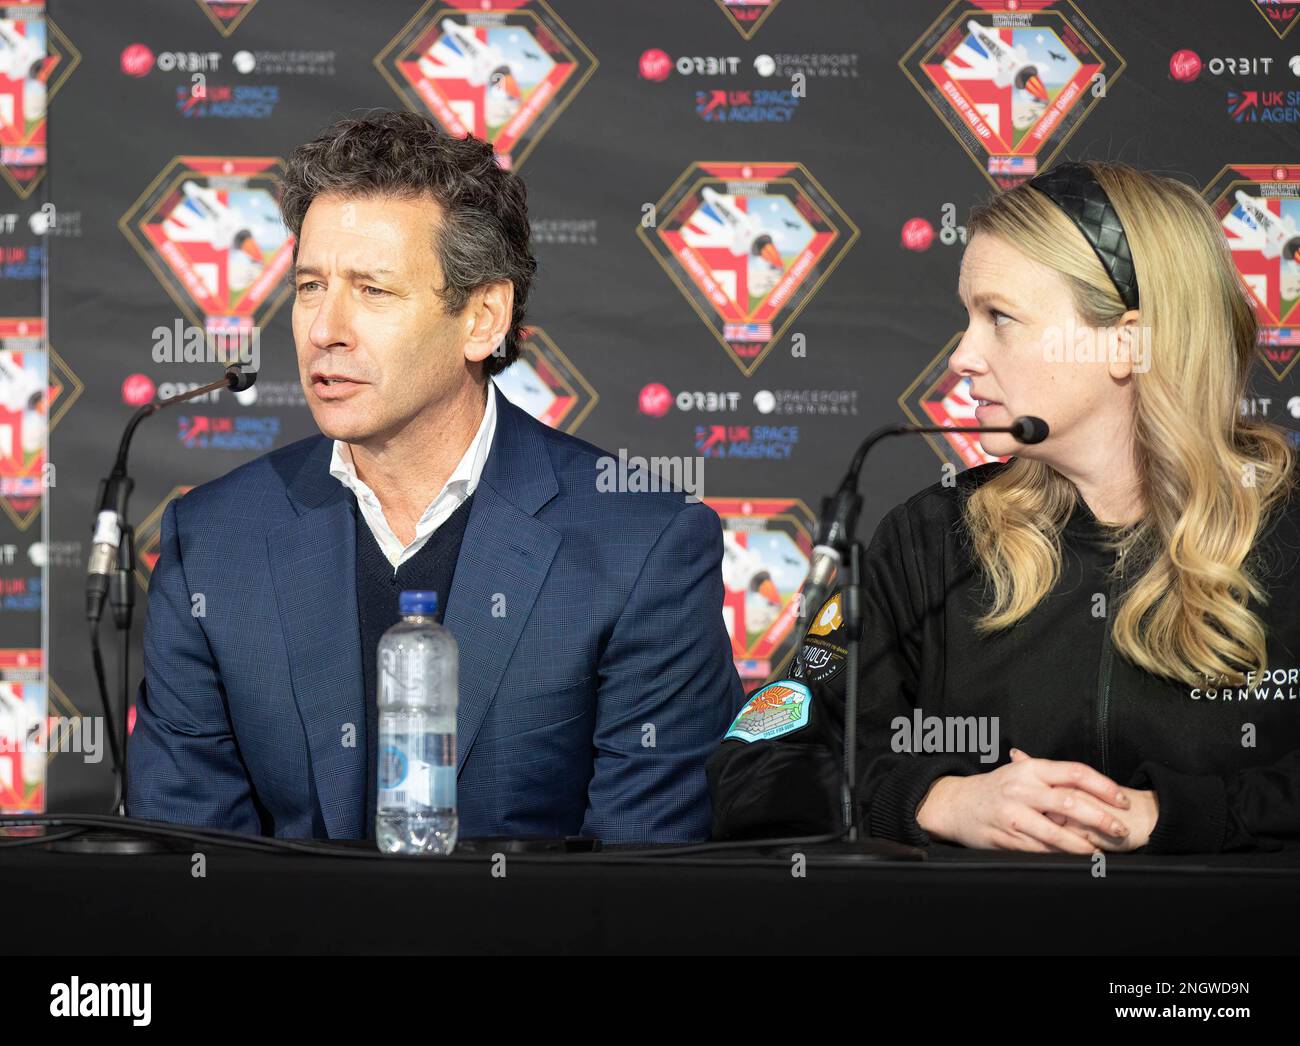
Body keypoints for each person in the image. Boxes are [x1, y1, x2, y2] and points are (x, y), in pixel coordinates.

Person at [128, 110, 744, 843]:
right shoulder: (213, 543)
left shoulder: (641, 546)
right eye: (310, 286)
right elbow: (192, 867)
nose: (325, 328)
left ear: (483, 319)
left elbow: (643, 878)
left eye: (373, 290)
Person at [709, 160, 1300, 855]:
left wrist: (1171, 816)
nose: (962, 356)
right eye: (968, 317)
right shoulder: (932, 539)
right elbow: (754, 761)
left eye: (1000, 318)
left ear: (1128, 341)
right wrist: (939, 798)